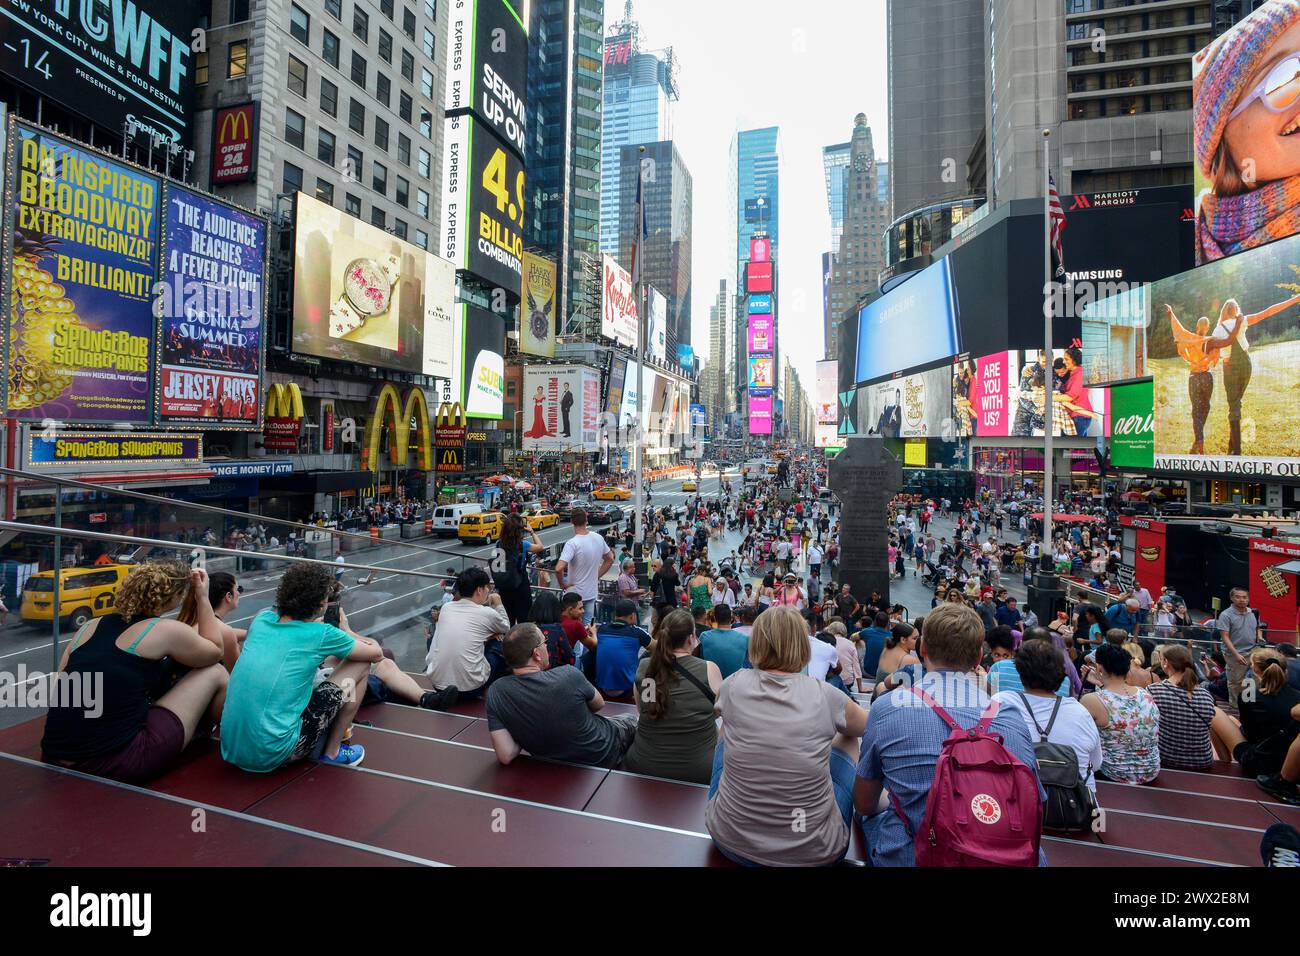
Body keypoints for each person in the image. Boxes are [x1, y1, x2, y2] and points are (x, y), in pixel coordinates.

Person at [854, 602, 1046, 867]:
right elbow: (1036, 807)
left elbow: (864, 803)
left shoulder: (888, 707)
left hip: (917, 857)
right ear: (979, 657)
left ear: (922, 650)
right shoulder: (1010, 716)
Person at [705, 605, 869, 867]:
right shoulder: (827, 695)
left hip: (729, 840)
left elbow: (717, 709)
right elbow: (870, 726)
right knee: (848, 737)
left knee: (727, 728)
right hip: (813, 853)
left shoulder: (733, 684)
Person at [41, 562, 230, 784]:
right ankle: (229, 739)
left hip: (53, 754)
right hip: (113, 761)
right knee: (215, 672)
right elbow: (215, 651)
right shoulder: (163, 630)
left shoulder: (88, 627)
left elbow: (62, 687)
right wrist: (202, 597)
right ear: (172, 598)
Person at [221, 563, 386, 771]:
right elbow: (376, 654)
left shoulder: (261, 620)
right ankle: (333, 752)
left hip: (231, 748)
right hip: (273, 753)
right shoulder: (321, 634)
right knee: (361, 663)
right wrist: (347, 630)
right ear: (319, 603)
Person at [485, 623, 639, 768]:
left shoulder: (496, 692)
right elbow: (599, 704)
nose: (546, 645)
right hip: (604, 752)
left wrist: (526, 725)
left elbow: (505, 755)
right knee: (634, 719)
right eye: (544, 642)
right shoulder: (568, 674)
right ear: (536, 654)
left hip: (553, 765)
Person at [624, 609, 721, 785]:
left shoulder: (646, 667)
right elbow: (717, 712)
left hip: (643, 764)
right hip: (700, 770)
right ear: (691, 638)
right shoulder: (709, 668)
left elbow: (644, 709)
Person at [995, 639, 1103, 795]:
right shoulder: (1081, 712)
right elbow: (1096, 763)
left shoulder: (998, 701)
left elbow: (983, 740)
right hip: (1074, 808)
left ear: (1020, 671)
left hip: (1017, 799)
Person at [424, 567, 511, 700]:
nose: (488, 591)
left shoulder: (446, 608)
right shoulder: (486, 613)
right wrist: (498, 603)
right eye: (487, 587)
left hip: (437, 684)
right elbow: (506, 627)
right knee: (499, 643)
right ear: (479, 590)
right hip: (470, 689)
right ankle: (491, 692)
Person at [1080, 643, 1161, 785]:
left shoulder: (1091, 700)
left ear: (1099, 668)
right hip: (1151, 771)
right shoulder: (1144, 693)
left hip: (1113, 773)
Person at [1147, 644, 1233, 771]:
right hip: (1202, 761)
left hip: (1166, 758)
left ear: (1165, 662)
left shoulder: (1154, 690)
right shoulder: (1206, 695)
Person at [1235, 646, 1300, 778]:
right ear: (1285, 671)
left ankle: (1224, 764)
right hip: (1289, 760)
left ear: (1255, 669)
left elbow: (1250, 734)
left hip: (1260, 760)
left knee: (1218, 715)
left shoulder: (1248, 695)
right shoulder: (1298, 697)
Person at [554, 509, 614, 626]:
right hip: (591, 591)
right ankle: (587, 644)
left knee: (572, 625)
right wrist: (596, 575)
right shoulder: (598, 538)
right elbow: (610, 559)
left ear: (572, 521)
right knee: (587, 626)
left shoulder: (572, 543)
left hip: (574, 594)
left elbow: (558, 568)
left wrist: (563, 585)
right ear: (586, 520)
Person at [177, 570, 246, 671]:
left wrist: (250, 633)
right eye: (238, 589)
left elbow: (228, 632)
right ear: (229, 596)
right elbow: (237, 675)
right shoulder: (225, 632)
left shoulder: (193, 621)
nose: (239, 593)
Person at [592, 598, 652, 699]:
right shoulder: (637, 632)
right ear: (633, 615)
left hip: (602, 688)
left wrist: (593, 632)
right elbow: (658, 648)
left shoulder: (602, 629)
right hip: (628, 689)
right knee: (648, 661)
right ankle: (649, 705)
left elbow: (597, 645)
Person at [495, 514, 541, 625]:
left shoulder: (498, 544)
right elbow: (540, 546)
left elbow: (499, 565)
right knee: (524, 619)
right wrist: (532, 532)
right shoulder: (523, 545)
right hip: (521, 585)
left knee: (508, 619)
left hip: (505, 585)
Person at [1217, 587, 1260, 708]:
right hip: (1234, 653)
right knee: (1236, 681)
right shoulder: (1226, 615)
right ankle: (1235, 706)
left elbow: (1257, 628)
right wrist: (1236, 654)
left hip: (1252, 650)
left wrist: (1259, 637)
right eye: (1238, 597)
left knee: (1255, 678)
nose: (1242, 600)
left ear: (1248, 598)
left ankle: (1250, 702)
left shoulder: (1253, 612)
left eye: (1244, 597)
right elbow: (1224, 637)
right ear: (1232, 598)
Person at [527, 591, 577, 669]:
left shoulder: (527, 628)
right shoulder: (557, 629)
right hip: (550, 673)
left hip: (528, 672)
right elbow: (569, 657)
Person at [698, 603, 748, 678]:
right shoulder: (744, 638)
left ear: (715, 618)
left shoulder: (704, 636)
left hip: (710, 682)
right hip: (734, 683)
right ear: (731, 618)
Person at [858, 611, 892, 679]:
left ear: (875, 622)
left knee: (858, 644)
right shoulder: (893, 635)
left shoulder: (866, 632)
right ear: (888, 623)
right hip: (886, 674)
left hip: (868, 672)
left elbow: (853, 637)